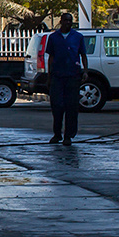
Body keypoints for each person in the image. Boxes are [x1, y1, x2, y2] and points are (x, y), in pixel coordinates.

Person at [44, 12, 89, 144]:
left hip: (73, 76)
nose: (68, 23)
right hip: (57, 76)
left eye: (70, 21)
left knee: (71, 107)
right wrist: (49, 76)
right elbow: (51, 58)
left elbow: (83, 55)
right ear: (61, 21)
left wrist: (85, 71)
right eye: (65, 20)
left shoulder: (78, 37)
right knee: (57, 106)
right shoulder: (53, 37)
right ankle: (57, 134)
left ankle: (68, 136)